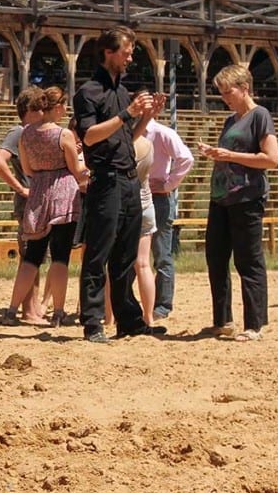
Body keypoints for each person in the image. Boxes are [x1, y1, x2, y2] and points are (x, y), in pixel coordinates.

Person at [72, 26, 164, 343]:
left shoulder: (123, 93)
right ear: (108, 52)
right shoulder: (88, 93)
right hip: (106, 182)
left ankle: (130, 321)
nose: (130, 57)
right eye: (125, 51)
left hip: (129, 181)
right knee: (97, 254)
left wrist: (147, 116)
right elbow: (90, 135)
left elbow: (129, 137)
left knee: (125, 256)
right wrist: (127, 113)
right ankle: (93, 322)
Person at [198, 64, 278, 342]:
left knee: (248, 260)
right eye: (220, 92)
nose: (224, 97)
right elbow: (231, 154)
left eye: (228, 91)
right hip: (221, 197)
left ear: (244, 88)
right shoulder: (230, 120)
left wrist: (229, 155)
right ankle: (223, 320)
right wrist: (216, 153)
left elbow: (271, 159)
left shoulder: (260, 116)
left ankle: (254, 324)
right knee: (216, 258)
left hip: (247, 197)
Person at [1, 86, 85, 328]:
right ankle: (58, 312)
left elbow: (27, 169)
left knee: (32, 257)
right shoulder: (64, 135)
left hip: (37, 193)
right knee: (60, 257)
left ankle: (11, 310)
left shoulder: (26, 134)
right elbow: (75, 169)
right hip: (63, 194)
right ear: (57, 107)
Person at [0, 86, 46, 324]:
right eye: (40, 108)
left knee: (35, 257)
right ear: (30, 110)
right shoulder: (19, 132)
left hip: (36, 204)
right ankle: (28, 311)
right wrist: (22, 188)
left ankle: (33, 308)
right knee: (29, 256)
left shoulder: (32, 133)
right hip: (28, 204)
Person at [145, 120, 194, 319]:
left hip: (158, 197)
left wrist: (168, 185)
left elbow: (186, 158)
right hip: (137, 195)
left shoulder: (162, 133)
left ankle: (162, 305)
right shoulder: (130, 130)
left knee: (162, 254)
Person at [132, 134, 158, 327]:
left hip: (126, 205)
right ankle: (148, 316)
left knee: (113, 266)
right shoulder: (147, 144)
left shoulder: (120, 144)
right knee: (144, 264)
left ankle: (109, 316)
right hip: (146, 203)